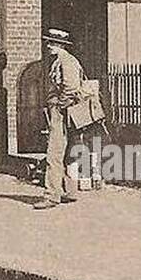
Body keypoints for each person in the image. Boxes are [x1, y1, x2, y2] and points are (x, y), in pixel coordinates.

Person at [35, 28, 83, 210]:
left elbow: (70, 88)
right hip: (67, 111)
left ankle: (51, 195)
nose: (48, 46)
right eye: (49, 43)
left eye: (52, 43)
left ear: (61, 45)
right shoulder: (64, 60)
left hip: (62, 111)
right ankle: (70, 191)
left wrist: (59, 107)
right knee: (67, 152)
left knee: (54, 154)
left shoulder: (66, 61)